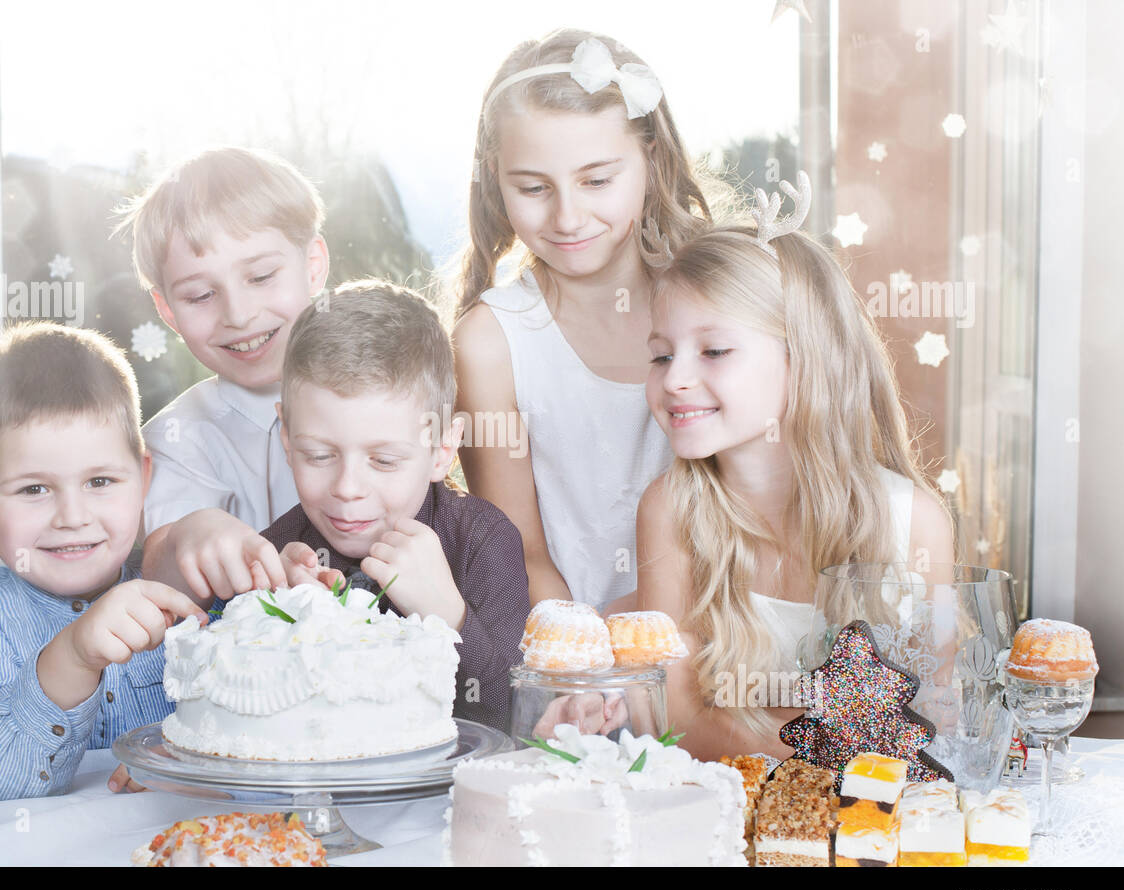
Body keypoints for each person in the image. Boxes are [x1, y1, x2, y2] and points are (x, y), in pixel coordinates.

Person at [637, 192, 955, 761]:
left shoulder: (916, 524)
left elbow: (936, 710)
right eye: (661, 356)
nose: (675, 378)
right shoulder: (670, 510)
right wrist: (804, 789)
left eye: (713, 350)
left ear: (805, 359)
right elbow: (679, 712)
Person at [149, 281, 531, 731]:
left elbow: (516, 715)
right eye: (319, 455)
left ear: (443, 449)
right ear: (288, 440)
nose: (347, 488)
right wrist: (274, 614)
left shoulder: (482, 540)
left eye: (384, 460)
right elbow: (220, 693)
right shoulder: (282, 550)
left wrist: (448, 615)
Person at [452, 28, 719, 613]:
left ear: (652, 158)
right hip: (572, 664)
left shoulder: (723, 305)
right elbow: (520, 553)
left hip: (725, 642)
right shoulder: (492, 343)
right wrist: (590, 661)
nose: (568, 218)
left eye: (597, 181)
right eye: (532, 188)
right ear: (495, 178)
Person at [0, 323, 205, 801]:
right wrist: (73, 656)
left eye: (99, 481)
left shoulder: (183, 591)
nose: (73, 518)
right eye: (34, 489)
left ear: (142, 477)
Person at [115, 146, 330, 581]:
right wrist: (190, 536)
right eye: (200, 295)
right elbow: (163, 568)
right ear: (168, 310)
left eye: (261, 276)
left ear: (312, 267)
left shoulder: (386, 396)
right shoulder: (176, 442)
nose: (238, 314)